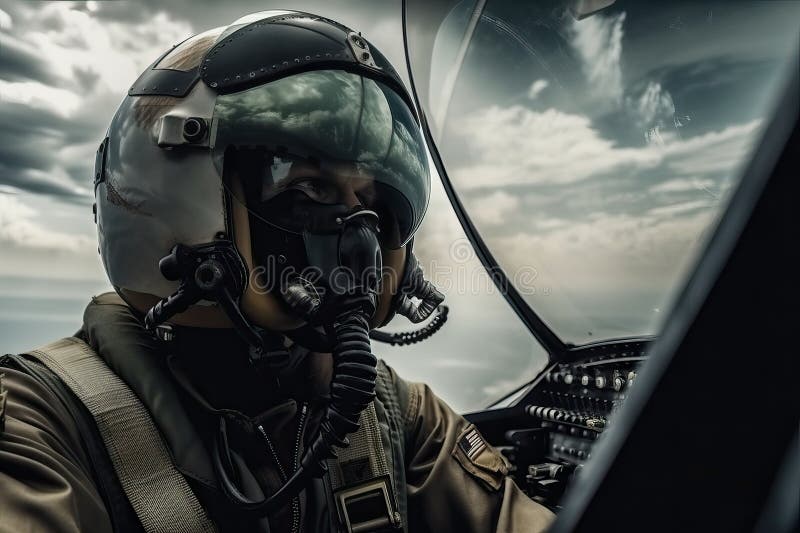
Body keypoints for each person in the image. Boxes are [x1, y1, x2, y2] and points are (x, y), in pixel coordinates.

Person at [0, 11, 554, 533]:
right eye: (308, 189)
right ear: (183, 202)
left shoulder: (394, 415)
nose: (356, 237)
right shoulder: (40, 424)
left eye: (373, 202)